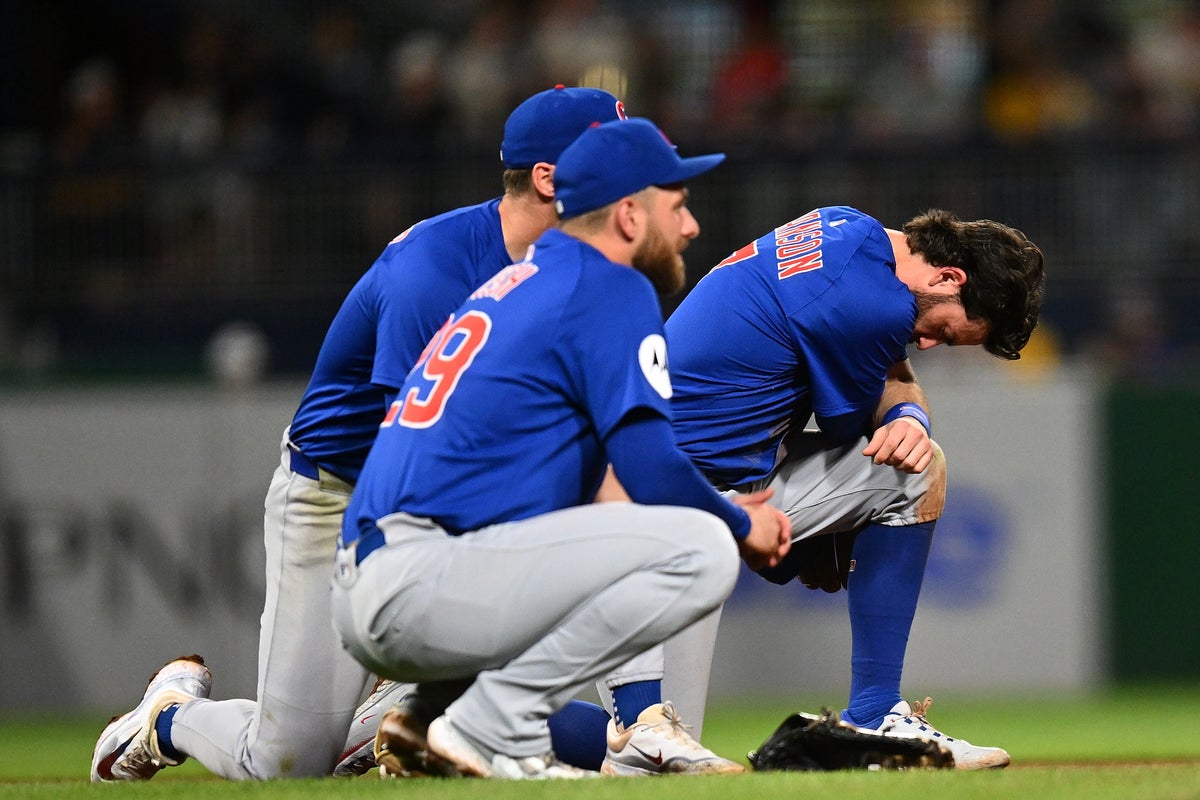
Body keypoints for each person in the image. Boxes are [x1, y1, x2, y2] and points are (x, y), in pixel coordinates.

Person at [90, 85, 630, 783]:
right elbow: (421, 466)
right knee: (284, 765)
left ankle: (412, 710)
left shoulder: (583, 274)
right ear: (549, 178)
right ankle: (167, 716)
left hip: (453, 504)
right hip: (340, 498)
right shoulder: (433, 274)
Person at [329, 117, 792, 780]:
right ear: (629, 216)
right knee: (705, 549)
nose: (690, 227)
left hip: (375, 581)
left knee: (606, 523)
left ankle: (441, 720)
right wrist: (743, 522)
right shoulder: (608, 286)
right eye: (679, 206)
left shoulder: (529, 279)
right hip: (419, 580)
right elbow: (650, 467)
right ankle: (488, 726)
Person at [598, 205, 1045, 770]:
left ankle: (496, 732)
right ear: (949, 277)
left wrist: (909, 419)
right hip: (665, 500)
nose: (926, 346)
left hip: (676, 480)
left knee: (654, 745)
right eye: (944, 333)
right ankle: (871, 715)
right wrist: (824, 538)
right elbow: (864, 418)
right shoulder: (870, 307)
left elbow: (889, 382)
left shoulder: (847, 227)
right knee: (914, 468)